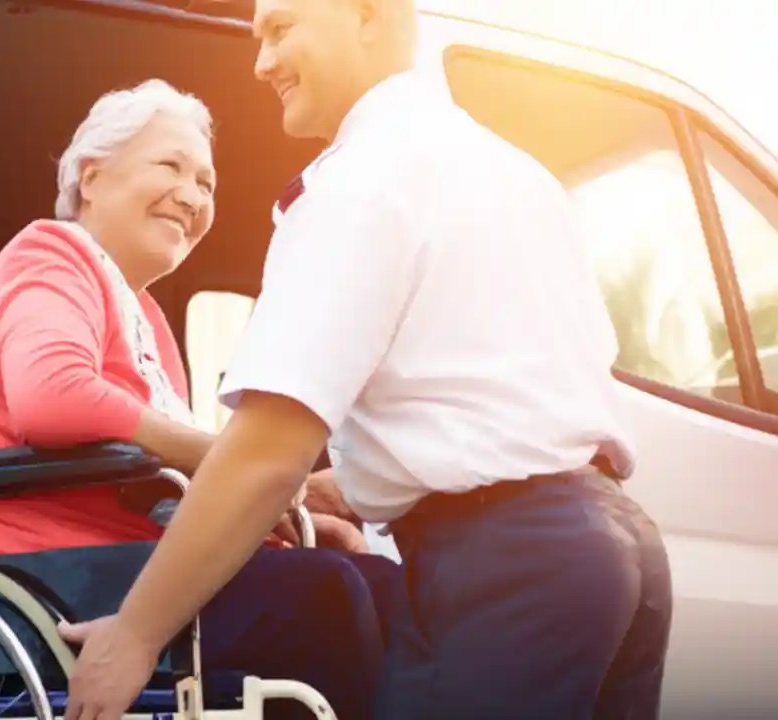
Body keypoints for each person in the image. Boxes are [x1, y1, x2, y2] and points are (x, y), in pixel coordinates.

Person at [60, 1, 674, 719]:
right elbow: (481, 400)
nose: (261, 63)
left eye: (282, 30)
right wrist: (346, 485)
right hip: (619, 557)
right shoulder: (514, 172)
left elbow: (267, 449)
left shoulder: (357, 184)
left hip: (507, 570)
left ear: (368, 16)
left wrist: (135, 637)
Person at [0, 79, 397, 719]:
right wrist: (227, 459)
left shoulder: (140, 312)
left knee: (390, 590)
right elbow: (54, 398)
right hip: (44, 568)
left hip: (120, 557)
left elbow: (159, 471)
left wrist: (297, 501)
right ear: (91, 178)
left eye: (205, 183)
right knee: (328, 596)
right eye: (170, 166)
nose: (192, 195)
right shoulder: (49, 256)